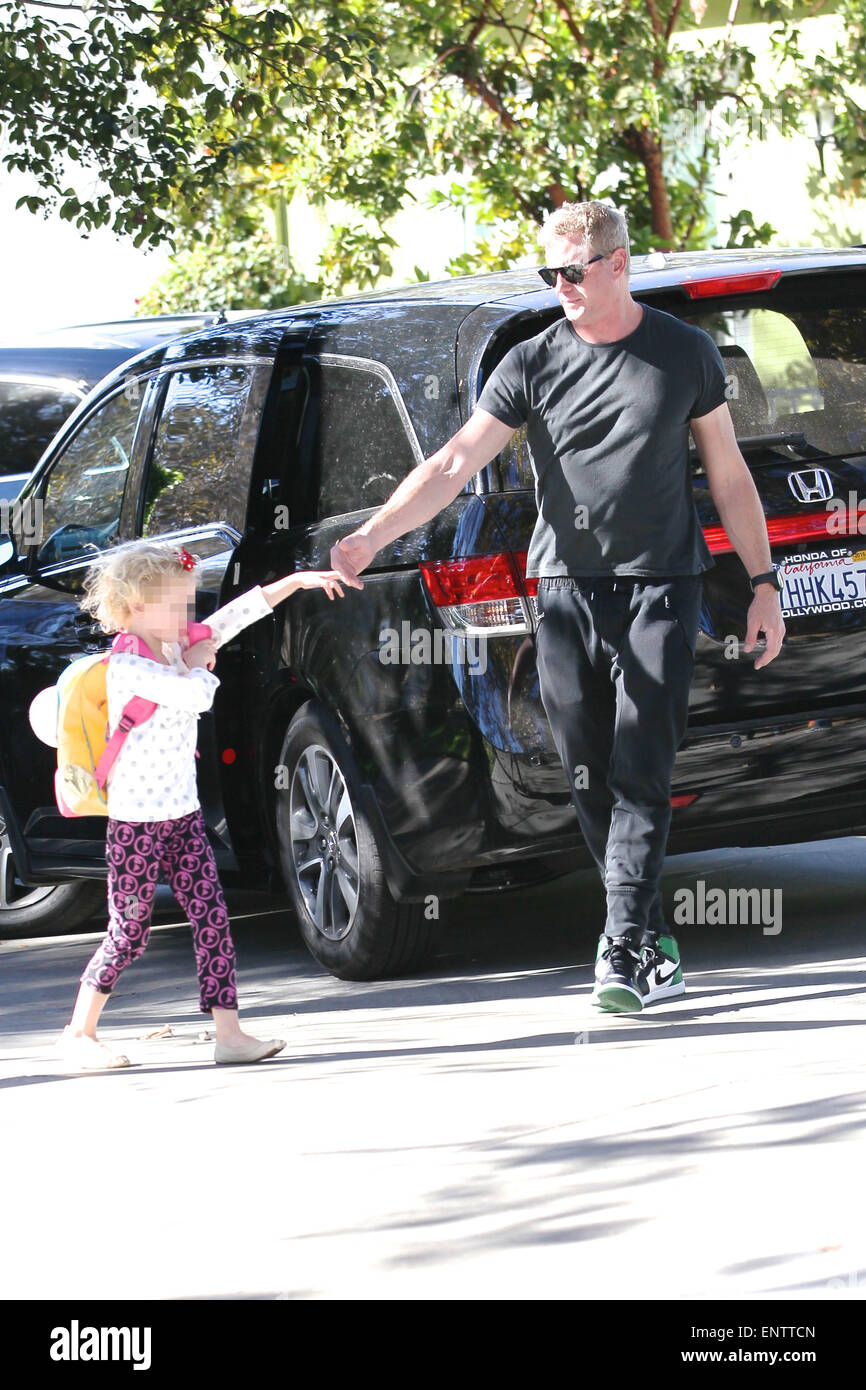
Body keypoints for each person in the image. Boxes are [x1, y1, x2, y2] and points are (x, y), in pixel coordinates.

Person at [328, 200, 785, 1014]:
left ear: (618, 265)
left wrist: (762, 584)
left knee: (644, 762)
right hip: (566, 593)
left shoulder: (683, 354)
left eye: (574, 271)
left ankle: (620, 949)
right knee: (588, 772)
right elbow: (453, 461)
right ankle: (644, 931)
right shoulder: (531, 362)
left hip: (662, 587)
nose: (562, 286)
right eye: (551, 273)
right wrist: (370, 536)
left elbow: (730, 476)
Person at [58, 540, 347, 1069]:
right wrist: (198, 665)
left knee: (212, 918)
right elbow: (196, 696)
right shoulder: (127, 666)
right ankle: (79, 1032)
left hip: (184, 815)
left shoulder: (176, 646)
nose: (186, 615)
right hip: (137, 824)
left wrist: (298, 580)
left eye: (187, 604)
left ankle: (229, 1034)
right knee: (130, 931)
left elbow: (239, 613)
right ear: (135, 609)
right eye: (173, 605)